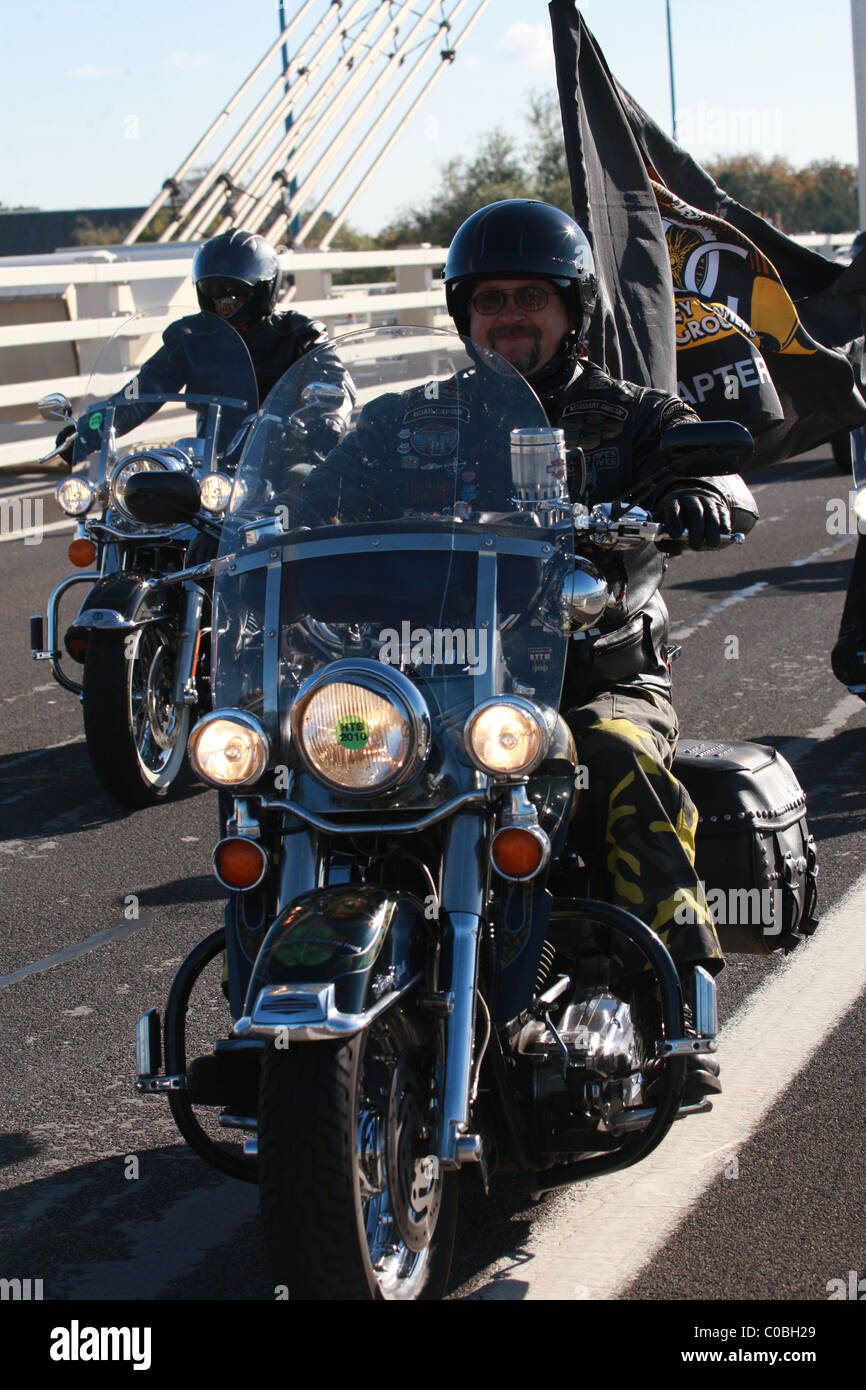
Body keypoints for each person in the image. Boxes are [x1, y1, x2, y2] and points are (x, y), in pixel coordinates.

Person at [303, 199, 759, 1100]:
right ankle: (292, 1012)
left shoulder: (627, 414)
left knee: (620, 757)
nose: (510, 314)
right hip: (424, 683)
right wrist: (238, 522)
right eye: (490, 299)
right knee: (298, 765)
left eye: (531, 297)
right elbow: (310, 500)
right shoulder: (406, 421)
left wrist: (702, 497)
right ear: (463, 314)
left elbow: (720, 475)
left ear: (572, 310)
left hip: (589, 677)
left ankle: (680, 1007)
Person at [57, 227, 340, 465]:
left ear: (263, 288)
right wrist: (86, 431)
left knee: (306, 493)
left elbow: (336, 384)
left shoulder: (301, 334)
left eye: (234, 291)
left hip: (284, 459)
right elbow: (142, 392)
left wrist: (328, 420)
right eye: (213, 290)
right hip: (211, 463)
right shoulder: (189, 336)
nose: (223, 298)